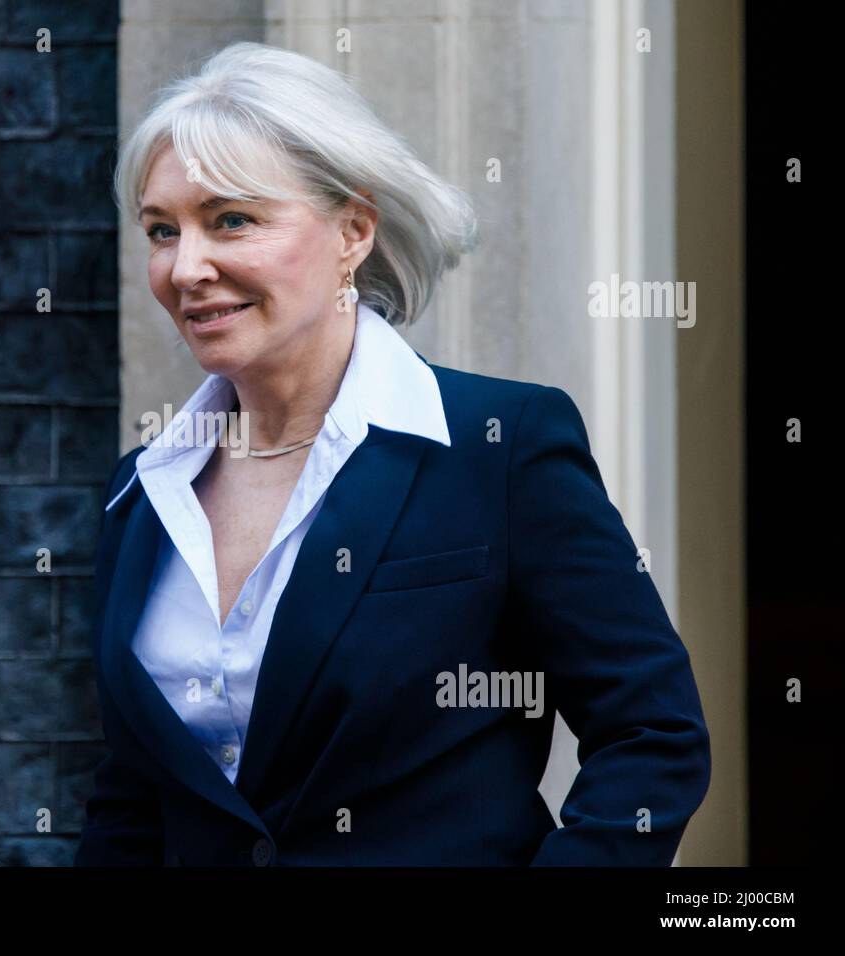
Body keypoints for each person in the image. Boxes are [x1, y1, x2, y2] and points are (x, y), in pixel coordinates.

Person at [74, 41, 709, 866]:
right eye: (163, 231)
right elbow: (134, 795)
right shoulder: (144, 490)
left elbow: (652, 732)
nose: (186, 268)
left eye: (232, 219)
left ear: (353, 232)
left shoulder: (500, 448)